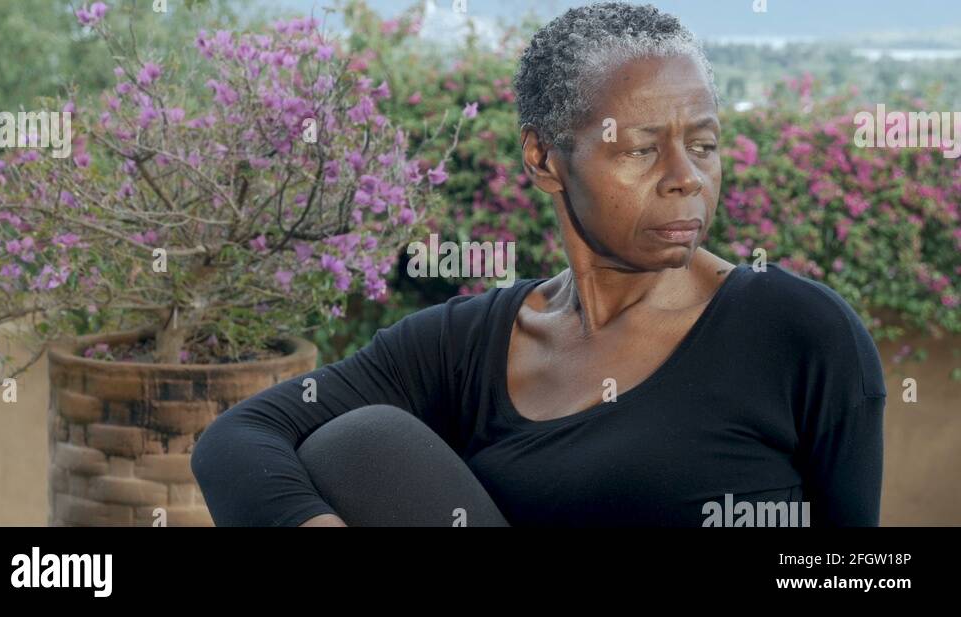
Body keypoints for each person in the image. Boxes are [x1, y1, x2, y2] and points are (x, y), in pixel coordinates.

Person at [191, 1, 886, 527]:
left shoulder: (801, 331)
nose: (685, 178)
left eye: (702, 144)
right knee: (361, 440)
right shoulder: (469, 343)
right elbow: (238, 437)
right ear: (545, 159)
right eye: (642, 149)